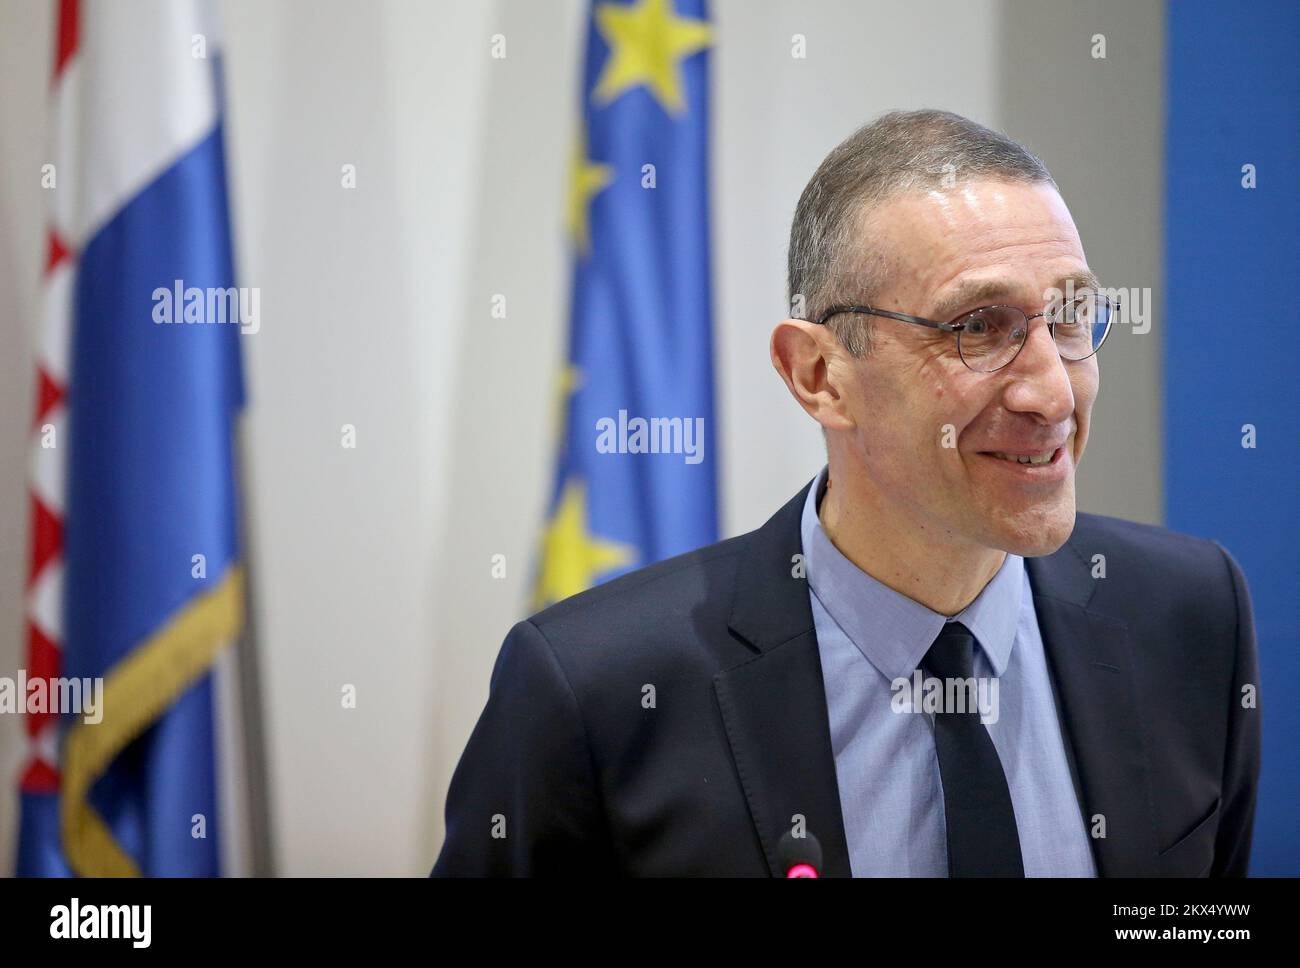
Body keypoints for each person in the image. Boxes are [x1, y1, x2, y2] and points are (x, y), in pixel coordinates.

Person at [432, 109, 1260, 877]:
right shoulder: (595, 693)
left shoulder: (1189, 616)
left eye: (1071, 316)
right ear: (819, 374)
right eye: (978, 327)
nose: (1053, 392)